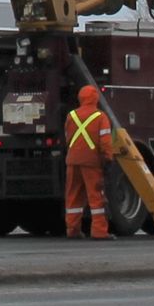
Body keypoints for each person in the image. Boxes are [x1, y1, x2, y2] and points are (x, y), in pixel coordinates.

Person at [65, 83, 115, 240]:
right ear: (96, 99)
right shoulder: (100, 117)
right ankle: (99, 232)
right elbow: (105, 141)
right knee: (96, 197)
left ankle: (73, 230)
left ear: (80, 98)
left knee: (73, 196)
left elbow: (68, 138)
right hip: (92, 163)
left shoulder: (71, 116)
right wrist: (108, 158)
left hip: (73, 161)